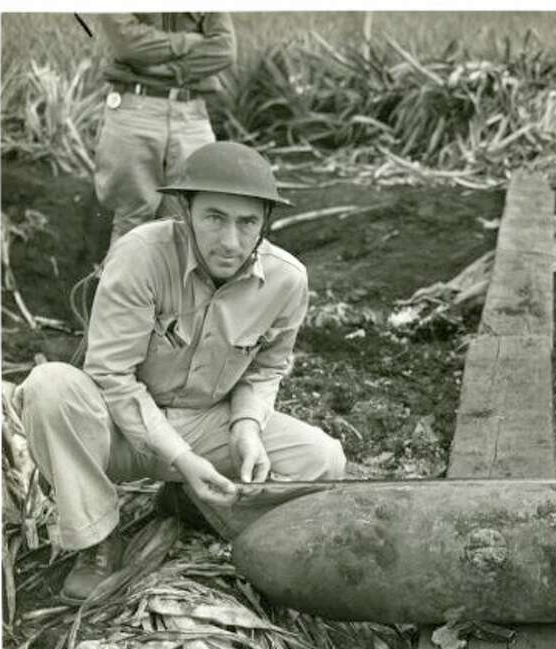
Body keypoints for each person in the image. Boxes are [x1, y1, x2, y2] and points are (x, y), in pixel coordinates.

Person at [17, 142, 347, 603]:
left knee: (323, 460)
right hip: (118, 428)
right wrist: (182, 459)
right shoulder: (141, 256)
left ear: (265, 223)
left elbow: (267, 368)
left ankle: (191, 503)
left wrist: (246, 430)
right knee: (49, 388)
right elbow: (112, 376)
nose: (230, 241)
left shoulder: (287, 280)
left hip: (204, 425)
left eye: (247, 222)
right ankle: (96, 539)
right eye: (215, 217)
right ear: (185, 210)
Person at [94, 13, 236, 244]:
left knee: (187, 219)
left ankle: (174, 280)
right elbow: (128, 45)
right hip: (135, 108)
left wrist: (167, 70)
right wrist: (190, 42)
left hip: (191, 113)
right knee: (131, 220)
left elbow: (224, 48)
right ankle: (126, 280)